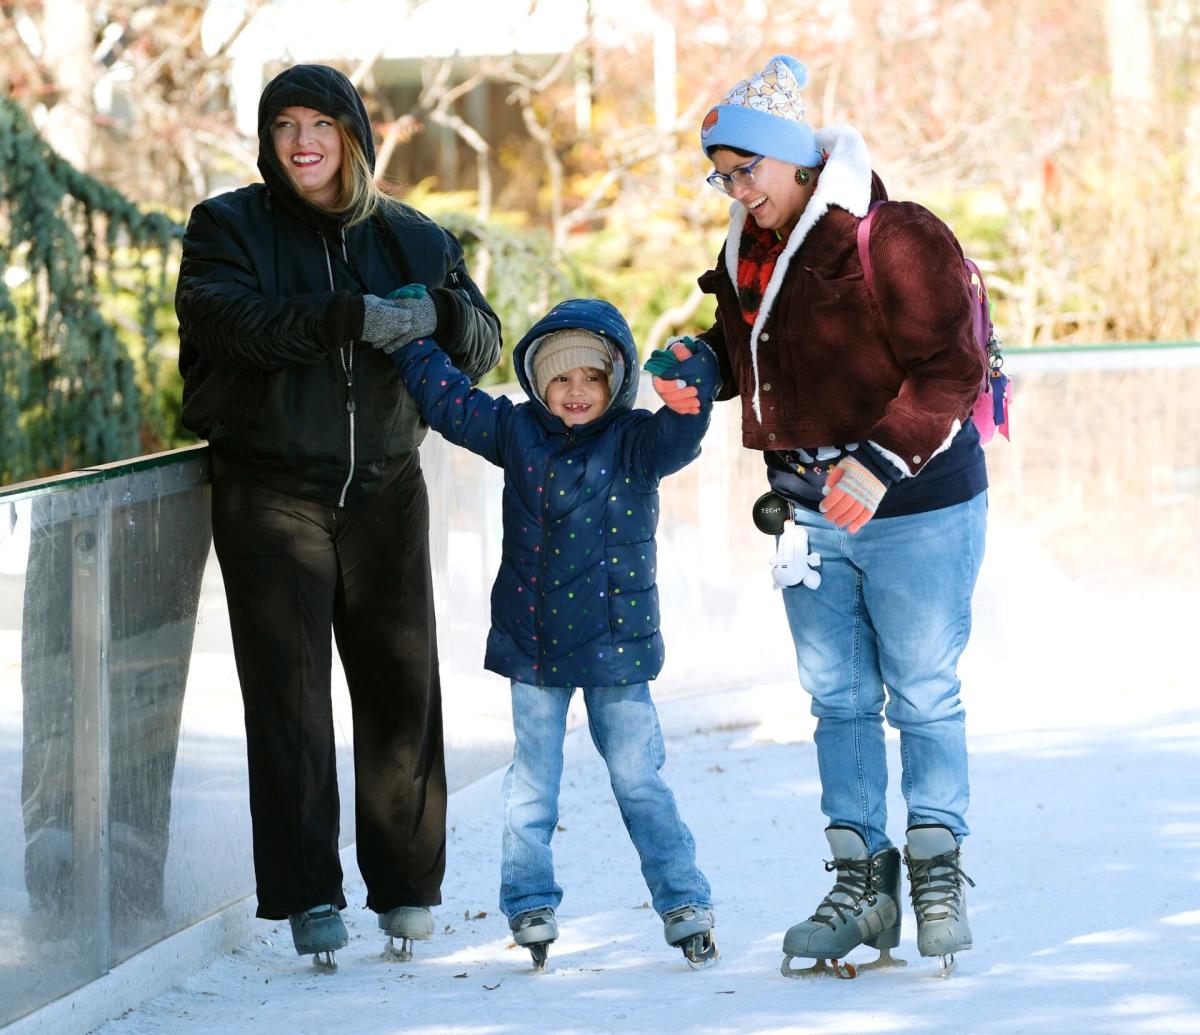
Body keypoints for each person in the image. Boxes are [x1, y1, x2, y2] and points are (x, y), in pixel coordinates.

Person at [659, 55, 988, 977]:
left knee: (923, 688)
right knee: (838, 700)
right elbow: (751, 355)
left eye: (742, 170)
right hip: (808, 512)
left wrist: (881, 464)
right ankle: (861, 884)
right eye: (720, 175)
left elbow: (951, 368)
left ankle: (935, 867)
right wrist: (701, 369)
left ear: (792, 160)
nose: (732, 189)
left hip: (918, 500)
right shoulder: (745, 248)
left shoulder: (894, 234)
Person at [175, 63, 501, 968]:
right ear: (267, 141)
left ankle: (405, 886)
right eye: (285, 125)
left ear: (353, 133)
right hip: (269, 488)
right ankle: (308, 892)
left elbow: (481, 340)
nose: (303, 141)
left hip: (386, 488)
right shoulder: (227, 227)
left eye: (321, 123)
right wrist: (347, 317)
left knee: (402, 691)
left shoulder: (410, 234)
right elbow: (227, 325)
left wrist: (434, 309)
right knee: (288, 696)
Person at [388, 297, 720, 970]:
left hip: (616, 646)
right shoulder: (517, 432)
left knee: (638, 778)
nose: (574, 392)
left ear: (614, 382)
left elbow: (683, 434)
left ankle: (683, 899)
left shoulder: (636, 441)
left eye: (590, 379)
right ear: (539, 381)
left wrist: (696, 386)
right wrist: (409, 342)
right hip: (535, 643)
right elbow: (452, 404)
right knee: (534, 781)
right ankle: (530, 901)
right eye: (560, 378)